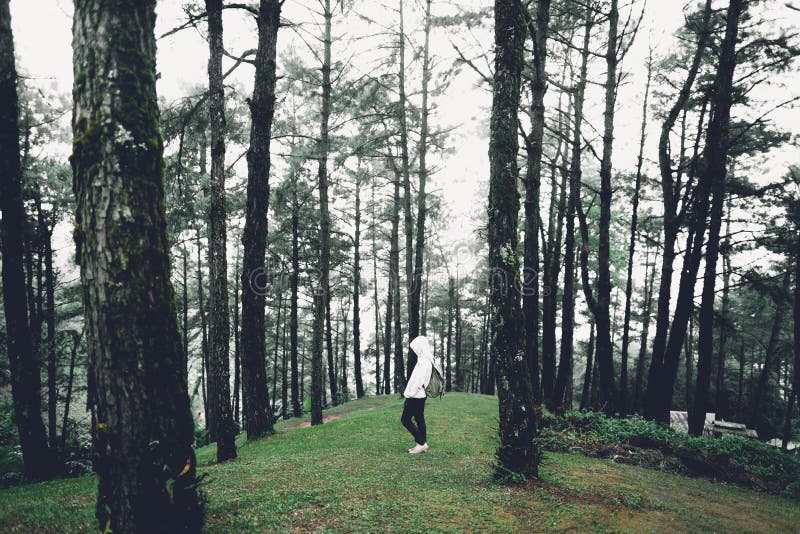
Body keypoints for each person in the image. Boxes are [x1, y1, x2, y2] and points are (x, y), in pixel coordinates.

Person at [401, 335, 438, 454]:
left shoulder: (423, 362)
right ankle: (421, 444)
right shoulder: (428, 359)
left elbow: (418, 381)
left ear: (420, 347)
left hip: (416, 395)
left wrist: (409, 394)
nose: (415, 350)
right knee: (419, 419)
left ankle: (421, 443)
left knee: (405, 420)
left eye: (416, 348)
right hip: (421, 395)